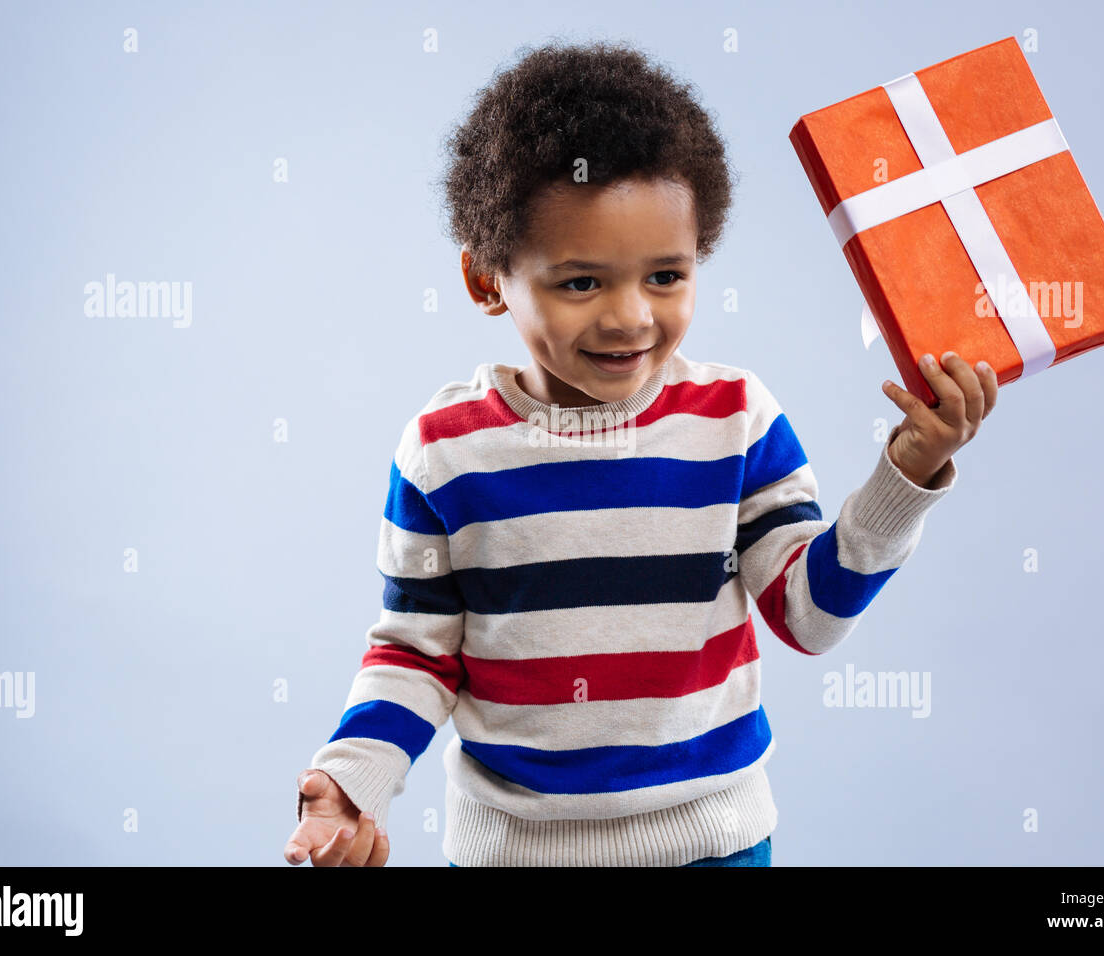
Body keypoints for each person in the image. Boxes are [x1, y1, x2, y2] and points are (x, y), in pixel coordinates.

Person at [283, 39, 995, 868]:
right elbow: (416, 651)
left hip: (715, 847)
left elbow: (811, 615)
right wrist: (348, 782)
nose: (630, 319)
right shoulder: (445, 452)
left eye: (666, 275)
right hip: (512, 854)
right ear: (488, 281)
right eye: (580, 282)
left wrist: (905, 474)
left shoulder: (736, 419)